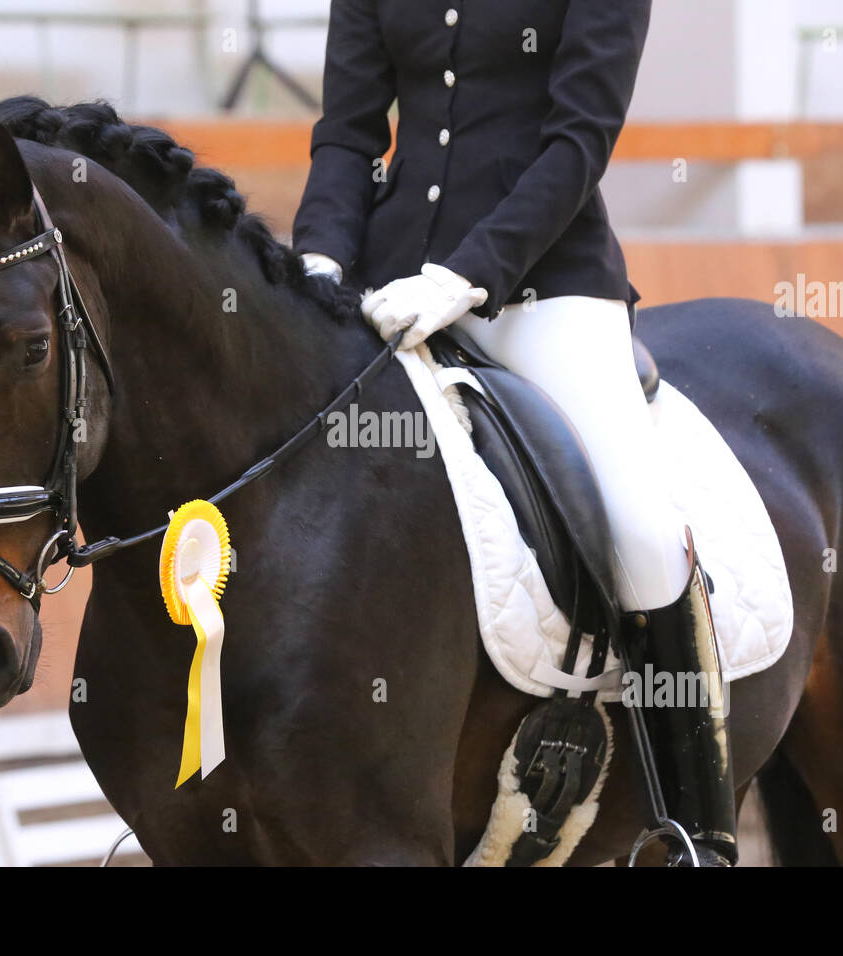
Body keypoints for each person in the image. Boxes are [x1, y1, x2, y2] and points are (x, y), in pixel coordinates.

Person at [292, 0, 736, 866]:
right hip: (387, 285)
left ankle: (697, 831)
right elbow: (346, 135)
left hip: (546, 286)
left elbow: (580, 139)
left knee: (644, 535)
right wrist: (317, 266)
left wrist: (467, 275)